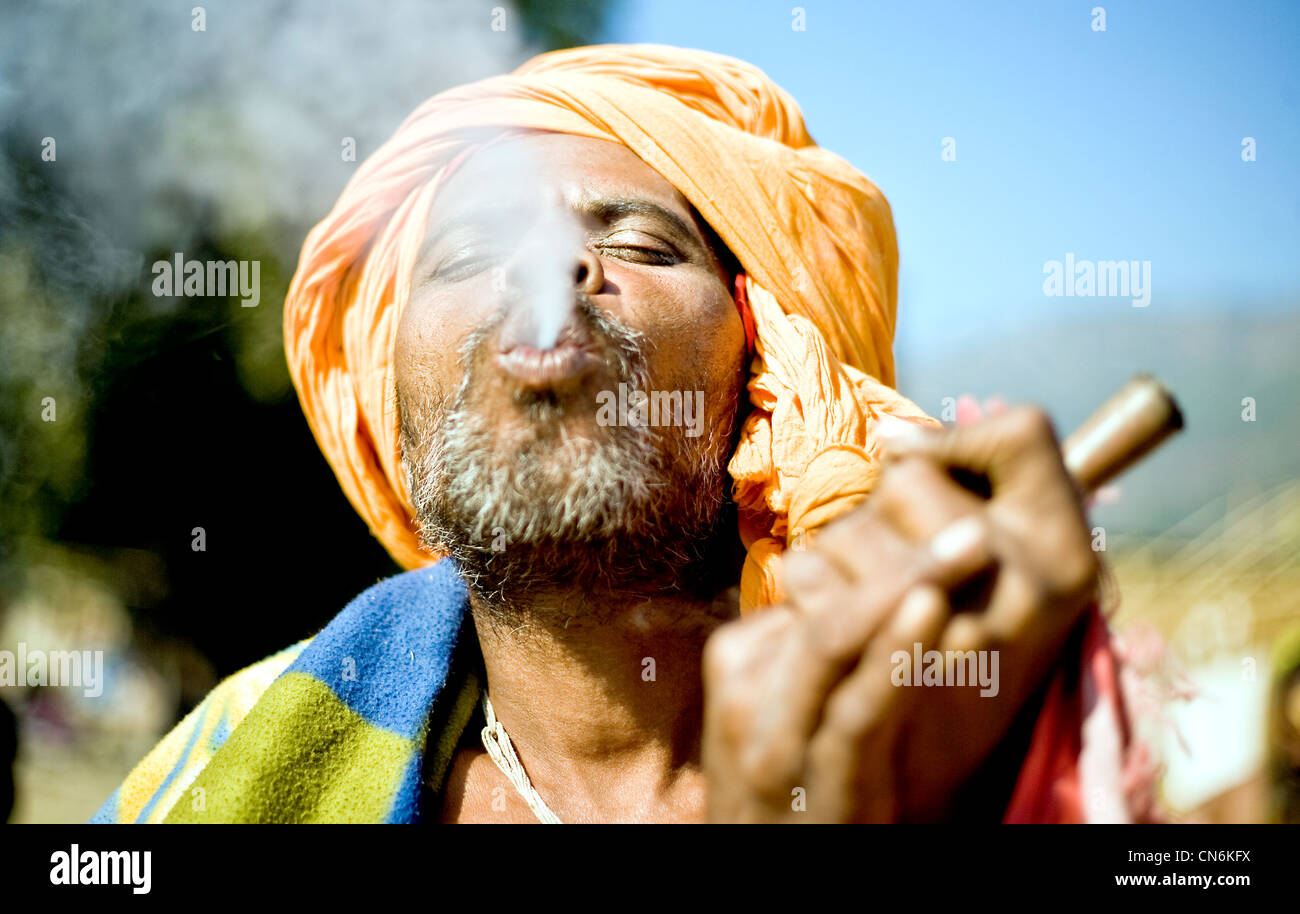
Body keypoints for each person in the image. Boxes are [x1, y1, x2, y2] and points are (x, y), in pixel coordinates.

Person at [93, 44, 1146, 824]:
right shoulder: (220, 769)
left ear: (770, 358)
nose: (548, 270)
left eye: (639, 240)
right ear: (387, 404)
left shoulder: (980, 743)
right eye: (469, 257)